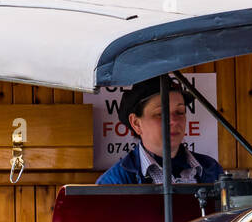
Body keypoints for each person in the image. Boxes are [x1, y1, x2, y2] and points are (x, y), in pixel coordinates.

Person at [96, 76, 224, 185]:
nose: (174, 121)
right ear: (136, 123)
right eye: (161, 113)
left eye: (179, 112)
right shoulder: (113, 183)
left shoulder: (211, 169)